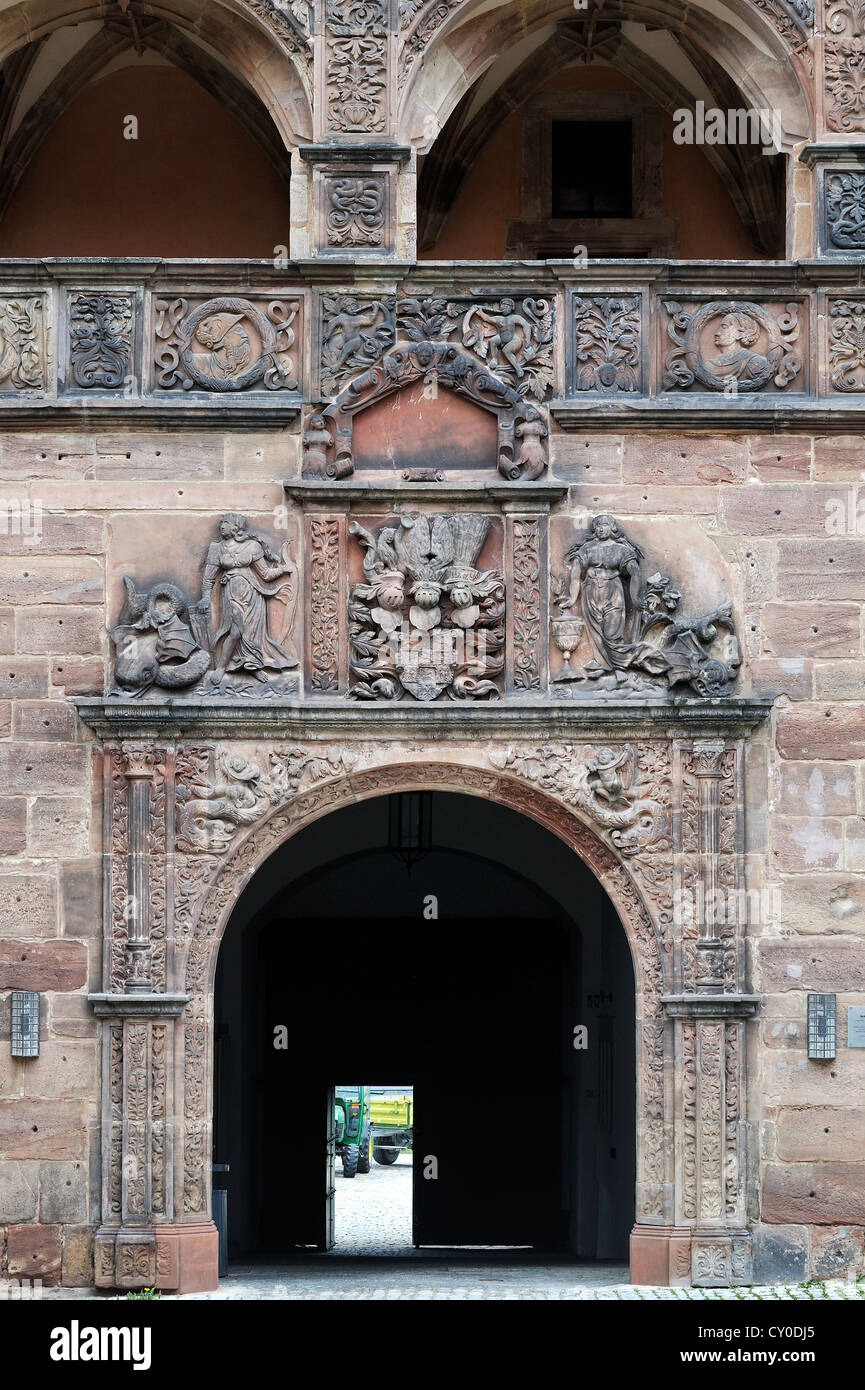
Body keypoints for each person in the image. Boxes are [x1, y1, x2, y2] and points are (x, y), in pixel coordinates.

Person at [194, 513, 298, 686]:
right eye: (221, 522)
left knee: (251, 633)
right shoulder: (217, 548)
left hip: (253, 594)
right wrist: (205, 597)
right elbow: (209, 578)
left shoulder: (252, 546)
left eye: (226, 523)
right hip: (231, 594)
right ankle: (221, 667)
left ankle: (252, 666)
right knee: (236, 631)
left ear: (236, 527)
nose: (221, 525)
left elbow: (265, 574)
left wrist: (283, 569)